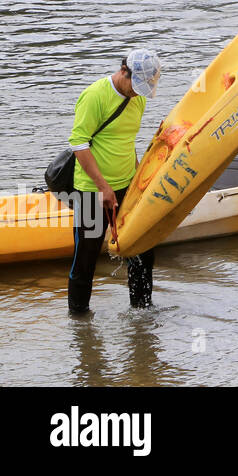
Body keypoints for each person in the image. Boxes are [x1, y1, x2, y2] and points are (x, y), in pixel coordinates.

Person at [67, 49, 161, 315]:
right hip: (90, 191)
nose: (137, 92)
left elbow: (126, 142)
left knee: (142, 251)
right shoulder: (95, 96)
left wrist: (138, 180)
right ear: (123, 71)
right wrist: (103, 188)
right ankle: (79, 320)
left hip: (126, 186)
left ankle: (142, 313)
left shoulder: (138, 99)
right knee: (85, 258)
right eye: (136, 84)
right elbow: (78, 143)